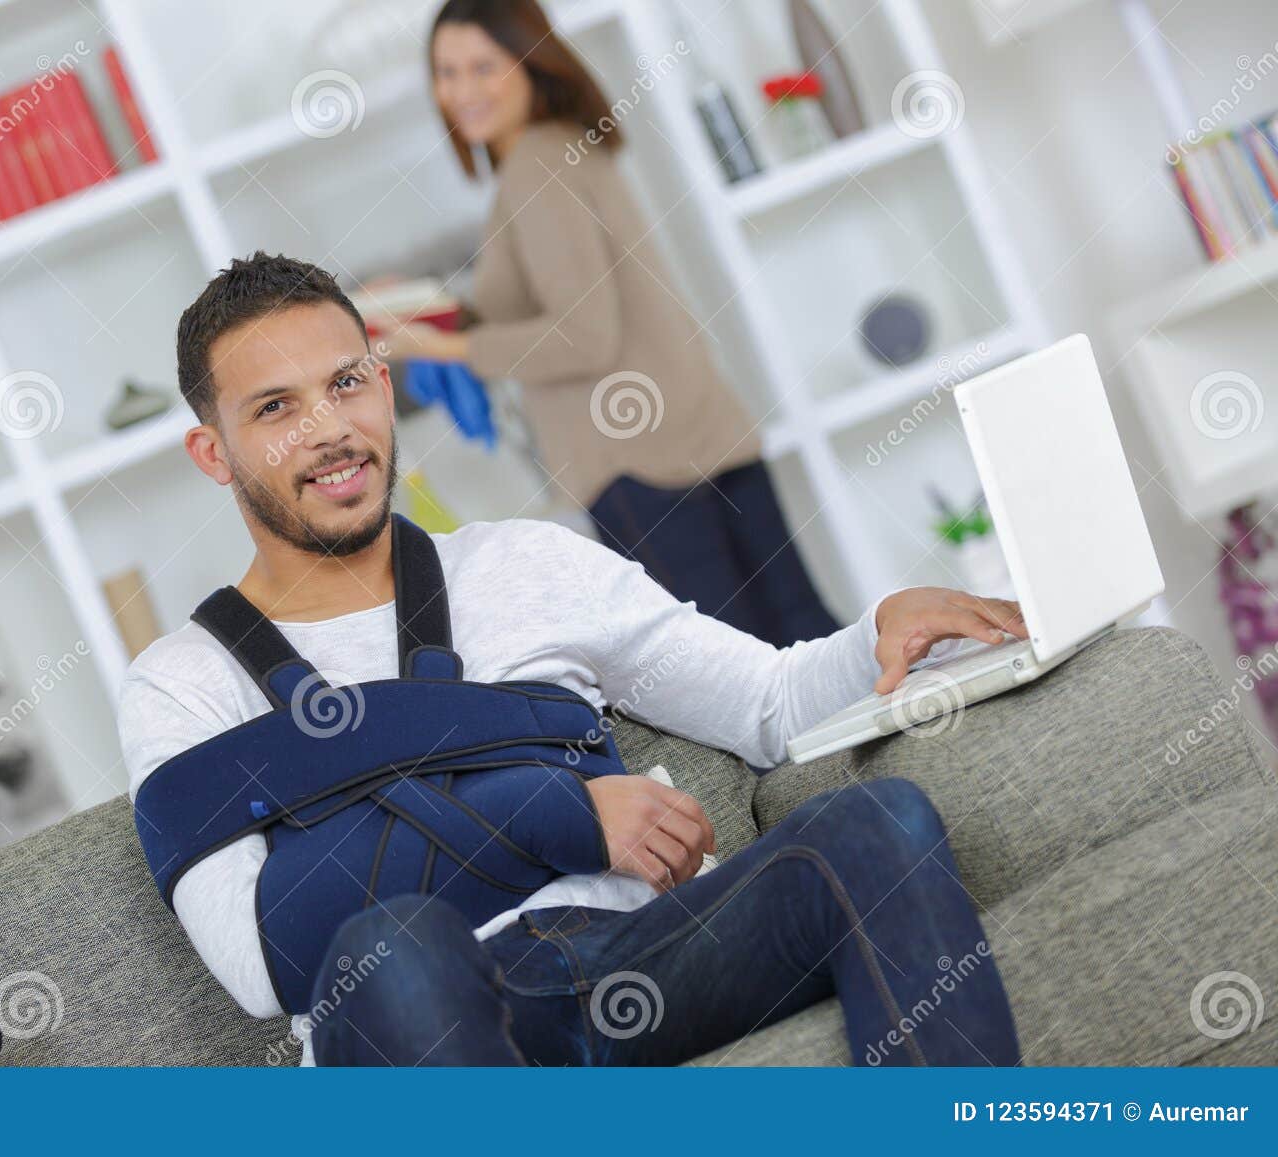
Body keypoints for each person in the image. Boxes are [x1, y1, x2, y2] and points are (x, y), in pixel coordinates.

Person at [119, 250, 1028, 1067]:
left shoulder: (528, 562)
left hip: (639, 959)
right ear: (213, 452)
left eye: (346, 383)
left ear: (385, 389)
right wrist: (559, 812)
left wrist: (880, 632)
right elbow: (261, 958)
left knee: (878, 825)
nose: (327, 428)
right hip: (422, 1020)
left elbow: (768, 705)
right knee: (395, 948)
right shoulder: (182, 684)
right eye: (275, 408)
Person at [373, 0, 839, 647]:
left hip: (634, 461)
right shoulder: (565, 149)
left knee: (734, 672)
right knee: (805, 643)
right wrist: (441, 311)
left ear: (530, 63)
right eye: (445, 72)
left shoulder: (533, 168)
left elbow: (582, 335)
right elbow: (564, 304)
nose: (461, 90)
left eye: (483, 66)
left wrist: (443, 345)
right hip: (700, 431)